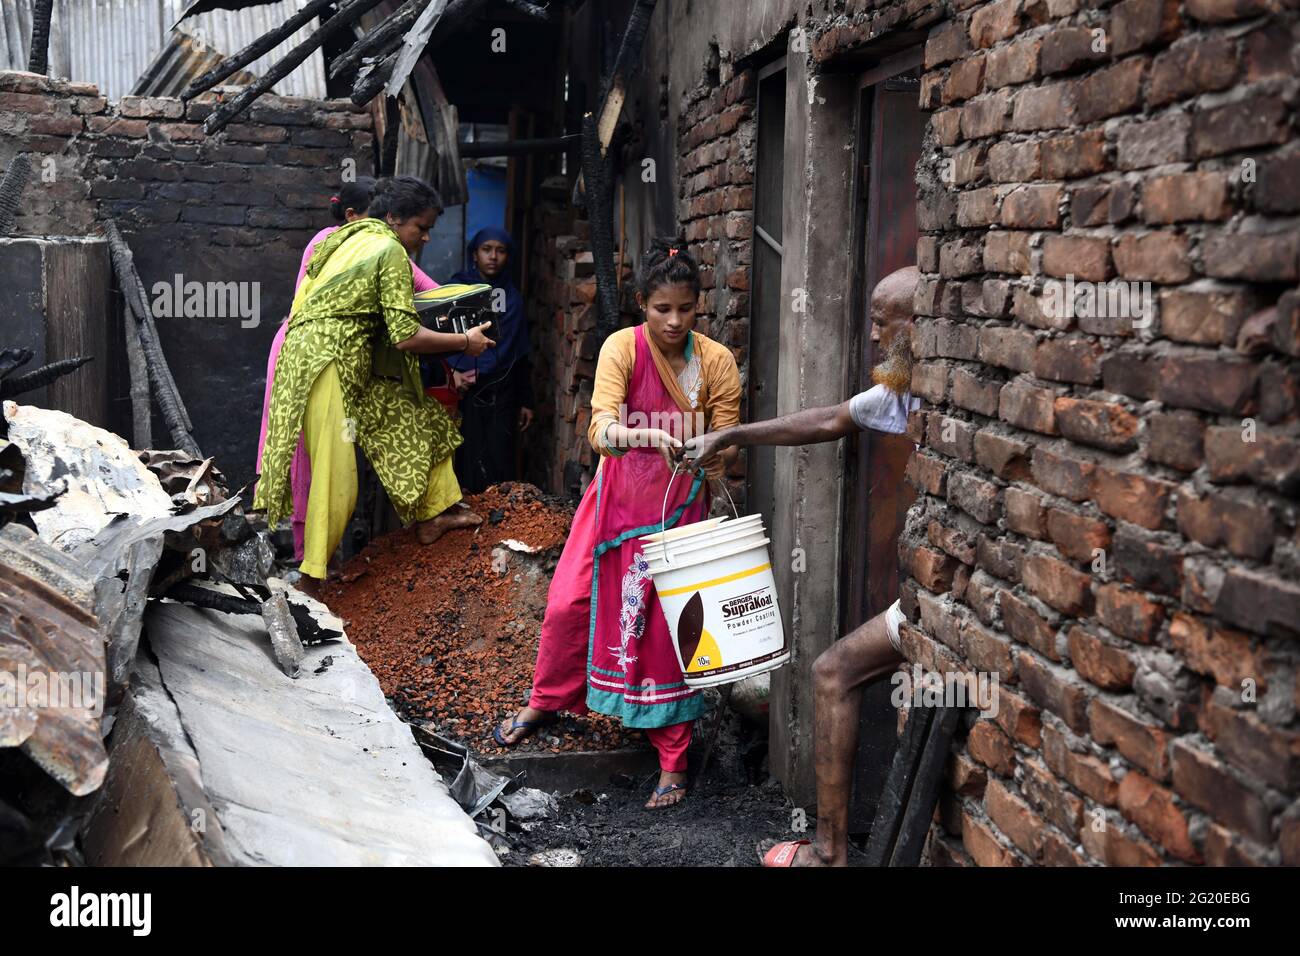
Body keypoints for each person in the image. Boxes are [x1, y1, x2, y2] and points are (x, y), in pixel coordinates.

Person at [492, 239, 742, 809]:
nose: (675, 321)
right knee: (568, 605)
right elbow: (600, 430)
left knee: (662, 631)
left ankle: (673, 761)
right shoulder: (620, 349)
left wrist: (704, 451)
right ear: (640, 304)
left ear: (698, 305)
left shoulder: (717, 362)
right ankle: (547, 699)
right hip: (612, 507)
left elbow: (728, 446)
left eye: (686, 308)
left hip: (678, 512)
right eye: (662, 309)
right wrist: (647, 437)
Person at [683, 266, 921, 864]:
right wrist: (733, 433)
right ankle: (832, 850)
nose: (870, 336)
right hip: (929, 601)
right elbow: (826, 420)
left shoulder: (953, 393)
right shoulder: (899, 392)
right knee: (833, 672)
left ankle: (830, 853)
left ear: (916, 325)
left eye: (879, 321)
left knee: (838, 673)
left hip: (944, 604)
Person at [254, 177, 493, 600]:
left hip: (336, 357)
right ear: (394, 219)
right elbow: (404, 335)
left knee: (411, 416)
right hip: (325, 363)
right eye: (421, 227)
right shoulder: (387, 251)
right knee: (335, 470)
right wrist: (463, 342)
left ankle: (434, 513)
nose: (425, 237)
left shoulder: (343, 239)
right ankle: (312, 579)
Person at [441, 227, 535, 493]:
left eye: (501, 250)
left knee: (497, 454)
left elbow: (519, 351)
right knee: (463, 451)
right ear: (475, 254)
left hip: (500, 389)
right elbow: (438, 337)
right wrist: (451, 373)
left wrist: (526, 400)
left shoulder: (512, 298)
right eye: (486, 249)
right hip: (460, 388)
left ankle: (495, 518)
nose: (493, 256)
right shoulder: (456, 289)